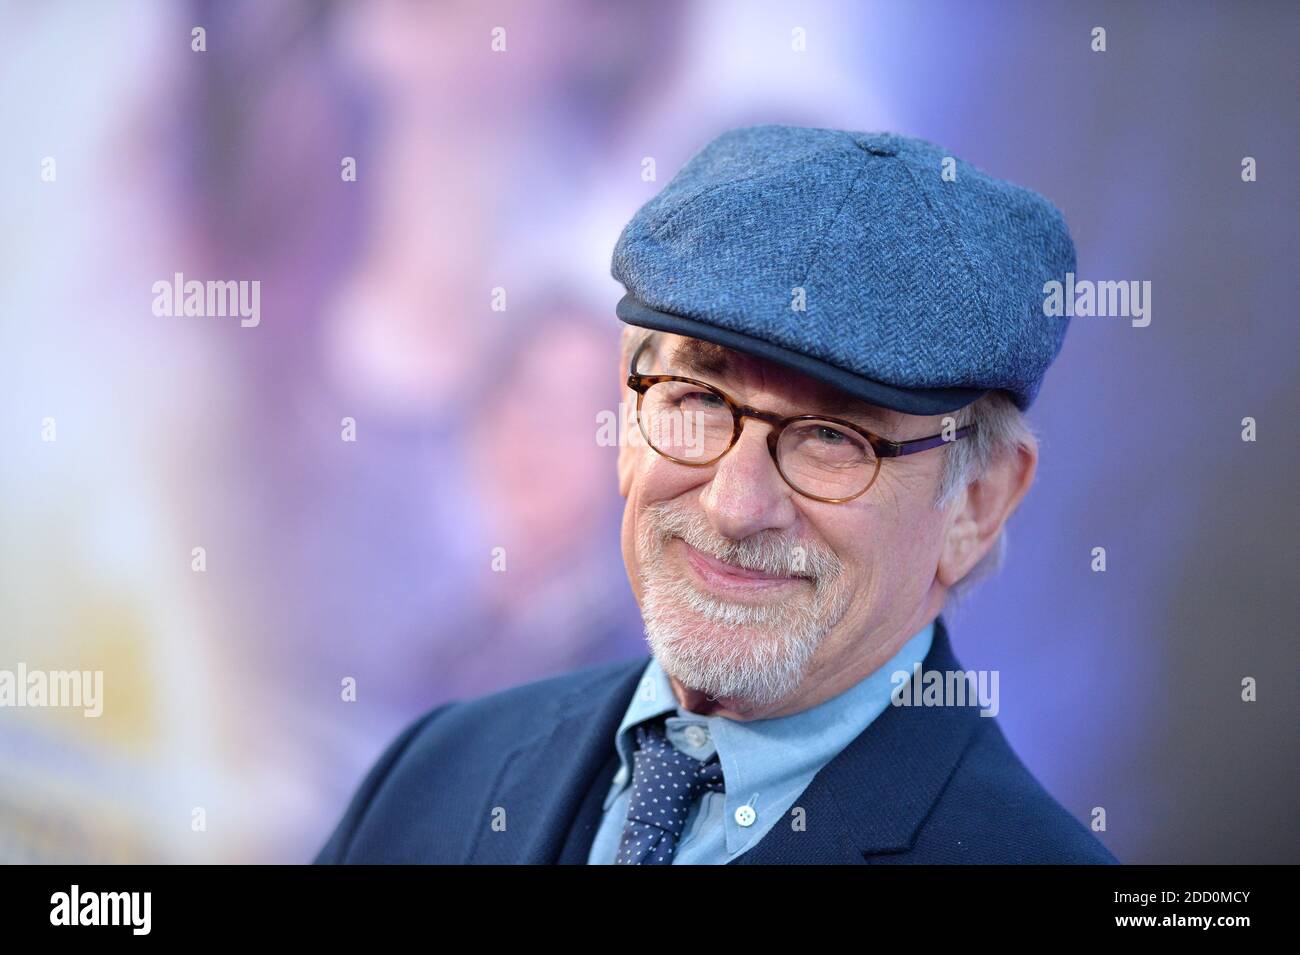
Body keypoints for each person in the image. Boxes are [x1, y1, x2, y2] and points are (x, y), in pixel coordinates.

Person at [315, 125, 1118, 864]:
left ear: (977, 503)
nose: (736, 506)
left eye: (832, 437)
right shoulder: (434, 776)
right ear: (630, 419)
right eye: (697, 399)